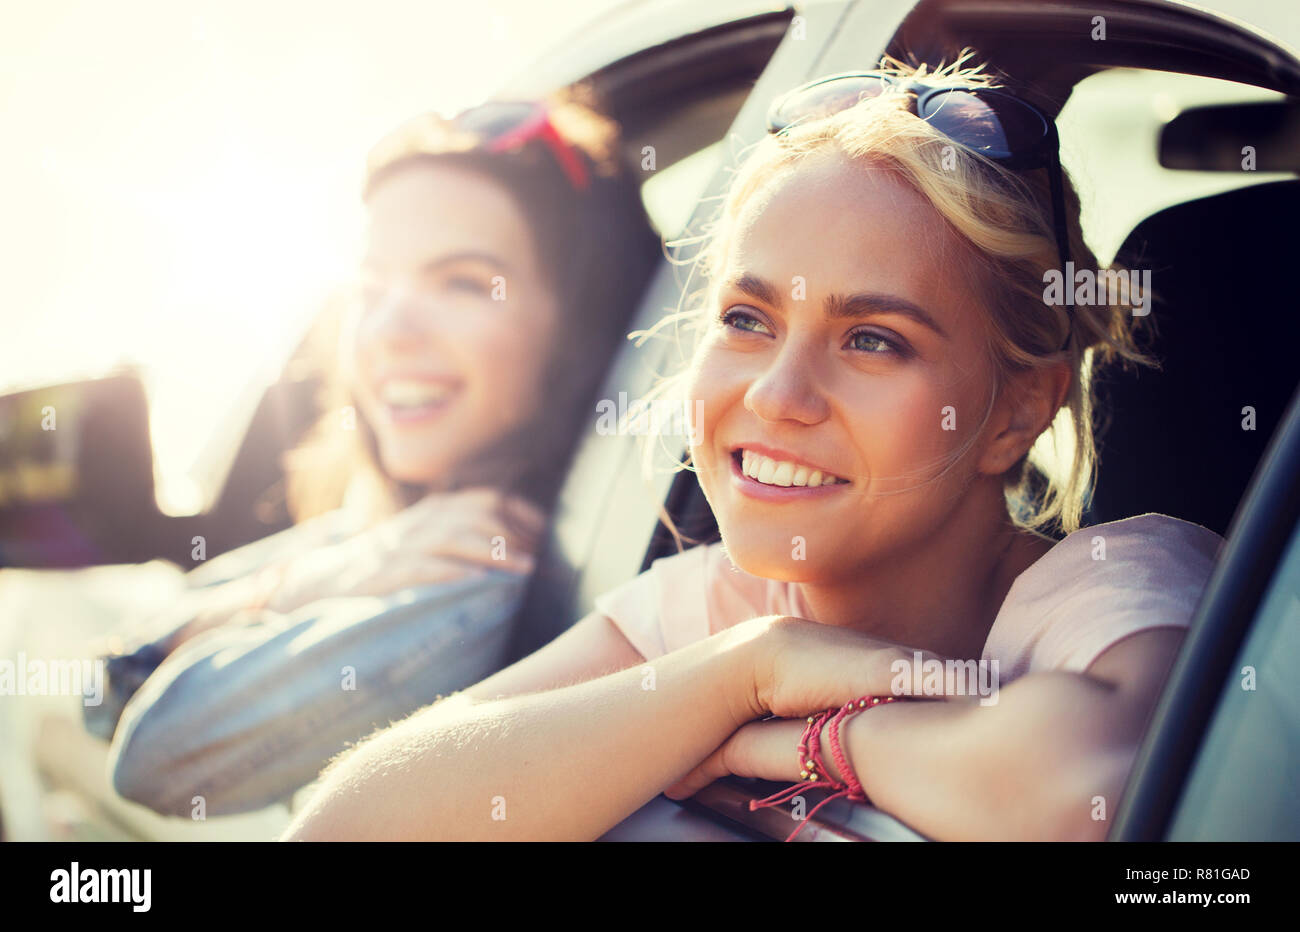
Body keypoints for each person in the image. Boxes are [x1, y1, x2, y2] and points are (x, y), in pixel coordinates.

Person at [280, 55, 1223, 842]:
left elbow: (1090, 790)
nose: (776, 395)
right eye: (747, 318)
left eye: (873, 340)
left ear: (1018, 413)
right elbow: (340, 828)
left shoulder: (1112, 582)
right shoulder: (715, 611)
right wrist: (750, 671)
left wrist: (778, 742)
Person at [91, 88, 659, 818]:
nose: (390, 329)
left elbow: (152, 757)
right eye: (372, 284)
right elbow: (105, 684)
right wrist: (346, 571)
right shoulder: (399, 534)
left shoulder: (485, 568)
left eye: (461, 282)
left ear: (580, 330)